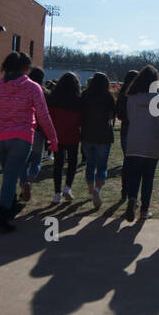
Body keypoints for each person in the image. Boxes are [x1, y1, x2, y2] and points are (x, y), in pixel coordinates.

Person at [0, 52, 57, 232]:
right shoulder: (33, 88)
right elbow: (43, 115)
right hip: (21, 138)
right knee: (10, 178)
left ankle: (11, 203)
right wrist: (53, 138)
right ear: (25, 68)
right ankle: (3, 218)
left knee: (11, 173)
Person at [121, 65, 159, 221]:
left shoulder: (132, 97)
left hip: (135, 140)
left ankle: (132, 198)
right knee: (148, 178)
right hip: (153, 140)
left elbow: (129, 118)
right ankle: (144, 210)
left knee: (134, 175)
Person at [79, 72, 116, 209]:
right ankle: (97, 189)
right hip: (103, 135)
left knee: (90, 163)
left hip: (87, 134)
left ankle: (90, 191)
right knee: (102, 166)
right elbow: (112, 116)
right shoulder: (108, 96)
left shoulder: (85, 95)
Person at [46, 72, 83, 204]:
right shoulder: (78, 101)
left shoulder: (54, 99)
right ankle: (67, 187)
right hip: (72, 135)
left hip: (57, 135)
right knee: (73, 162)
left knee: (58, 164)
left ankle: (57, 194)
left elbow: (49, 117)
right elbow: (80, 121)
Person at [19, 66, 46, 202]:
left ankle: (23, 184)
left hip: (24, 129)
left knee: (23, 161)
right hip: (39, 131)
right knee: (36, 160)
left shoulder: (24, 90)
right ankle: (29, 180)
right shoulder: (43, 92)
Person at [115, 70, 138, 200]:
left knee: (127, 161)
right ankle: (131, 193)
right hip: (136, 130)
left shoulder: (123, 95)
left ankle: (125, 190)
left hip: (125, 130)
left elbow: (119, 114)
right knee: (135, 163)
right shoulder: (137, 95)